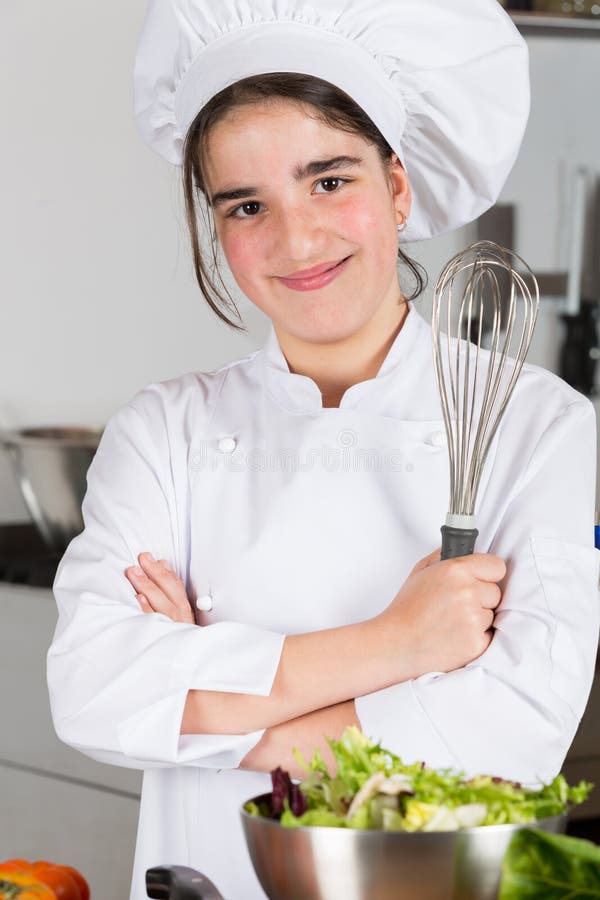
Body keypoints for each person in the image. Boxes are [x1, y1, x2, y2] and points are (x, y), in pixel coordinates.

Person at [47, 1, 599, 898]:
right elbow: (90, 691)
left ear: (398, 184)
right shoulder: (163, 432)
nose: (295, 239)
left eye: (330, 180)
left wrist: (212, 719)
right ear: (215, 225)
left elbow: (516, 730)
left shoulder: (537, 425)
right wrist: (397, 644)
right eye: (247, 203)